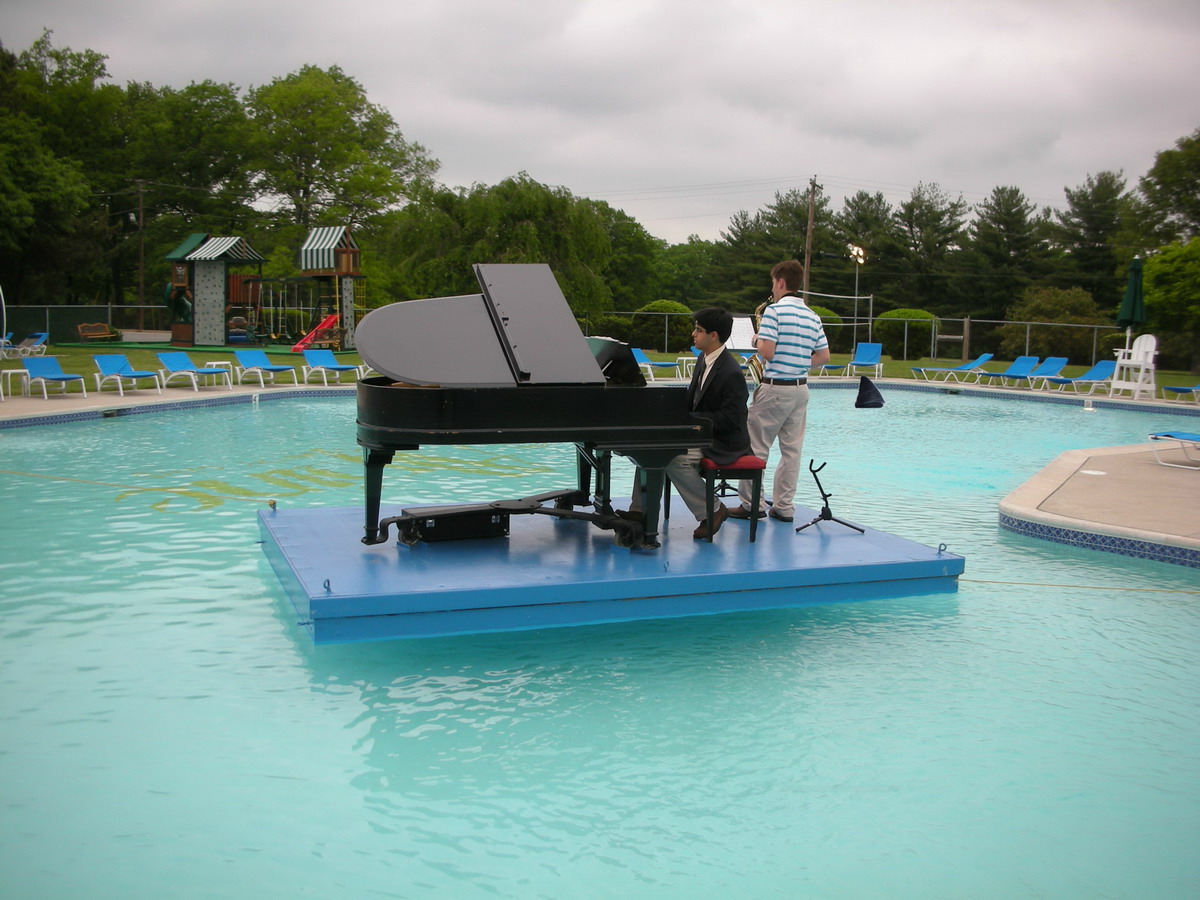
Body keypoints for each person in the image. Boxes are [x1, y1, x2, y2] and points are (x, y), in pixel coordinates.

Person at [624, 307, 750, 540]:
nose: (693, 334)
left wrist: (692, 423)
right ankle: (639, 513)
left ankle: (712, 509)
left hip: (722, 441)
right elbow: (693, 400)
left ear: (714, 336)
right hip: (701, 434)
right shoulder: (704, 358)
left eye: (698, 330)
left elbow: (731, 419)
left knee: (673, 457)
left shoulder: (731, 372)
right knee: (650, 448)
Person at [729, 260, 830, 523]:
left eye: (773, 283)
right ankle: (784, 507)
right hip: (800, 389)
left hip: (775, 388)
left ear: (781, 282)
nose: (772, 288)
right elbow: (824, 356)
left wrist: (757, 339)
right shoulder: (813, 315)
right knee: (792, 452)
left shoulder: (774, 311)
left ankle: (753, 504)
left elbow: (767, 351)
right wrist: (799, 362)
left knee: (755, 448)